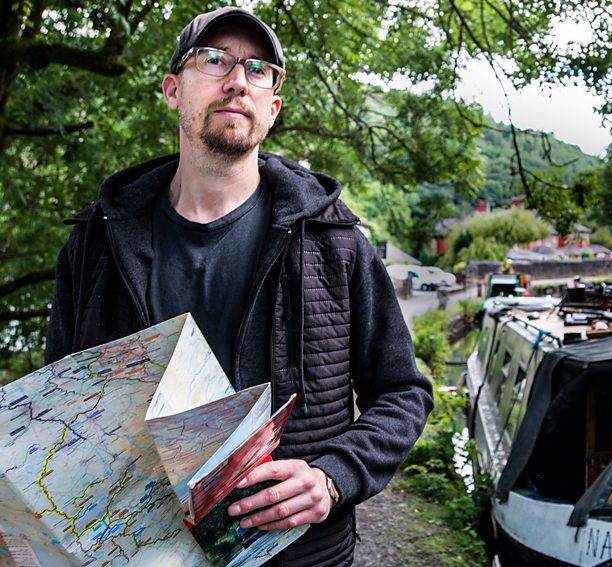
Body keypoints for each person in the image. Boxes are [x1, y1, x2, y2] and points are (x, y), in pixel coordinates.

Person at [44, 7, 433, 566]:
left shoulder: (335, 241)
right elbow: (61, 411)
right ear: (173, 89)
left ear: (272, 107)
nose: (236, 81)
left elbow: (403, 392)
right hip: (135, 553)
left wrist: (332, 477)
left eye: (257, 70)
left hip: (301, 557)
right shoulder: (95, 244)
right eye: (214, 59)